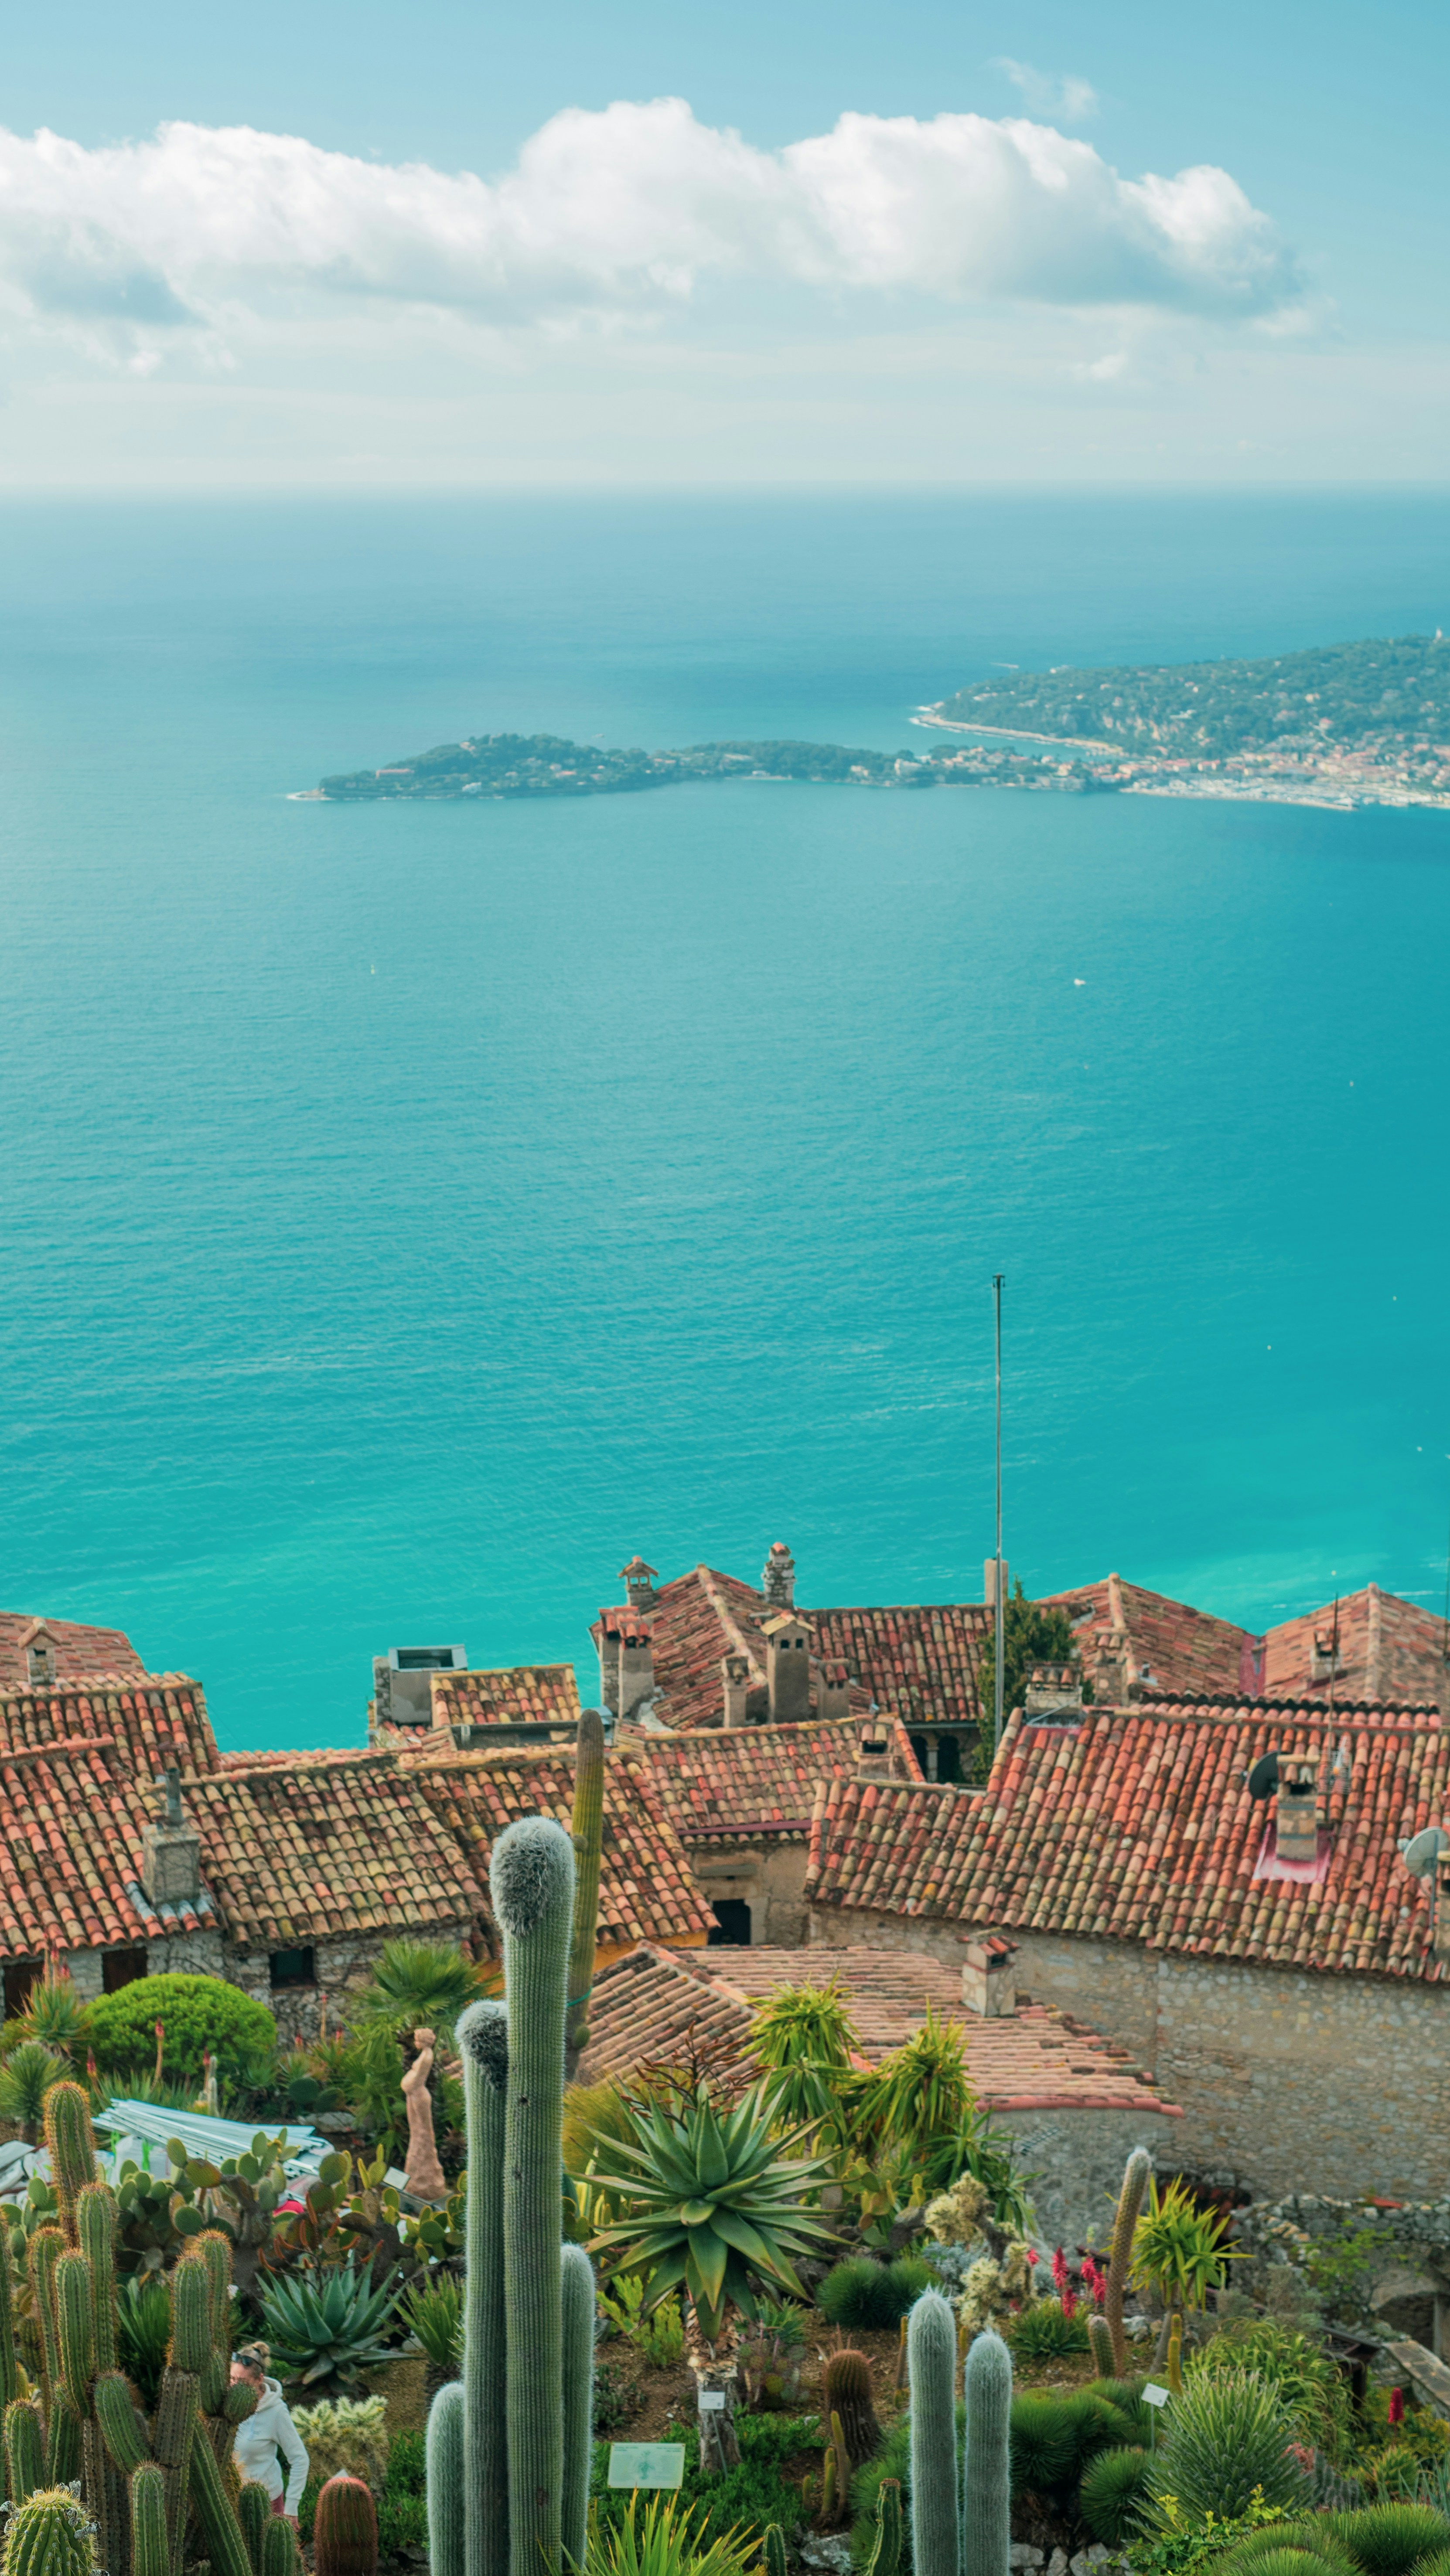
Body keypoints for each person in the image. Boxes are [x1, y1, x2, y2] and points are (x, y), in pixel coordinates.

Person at [230, 2342, 310, 2523]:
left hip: (266, 2502)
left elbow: (300, 2459)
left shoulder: (276, 2412)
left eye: (242, 2382)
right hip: (230, 2499)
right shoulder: (225, 2404)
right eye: (232, 2379)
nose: (234, 2386)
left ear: (259, 2380)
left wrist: (292, 2508)